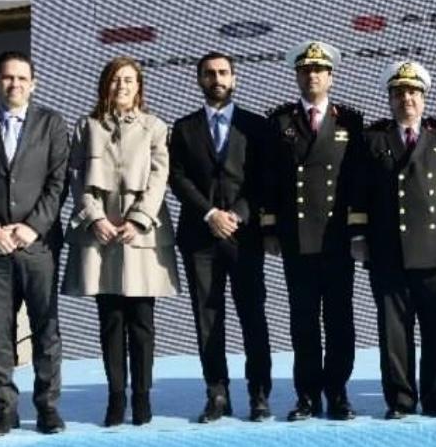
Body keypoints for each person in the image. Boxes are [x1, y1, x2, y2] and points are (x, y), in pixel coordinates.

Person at [0, 51, 71, 437]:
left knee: (45, 329)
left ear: (33, 83)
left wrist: (32, 227)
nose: (14, 84)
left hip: (38, 247)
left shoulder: (51, 124)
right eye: (7, 78)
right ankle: (5, 408)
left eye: (22, 78)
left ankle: (47, 407)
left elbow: (58, 182)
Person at [62, 57, 180, 425]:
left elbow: (160, 178)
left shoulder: (155, 127)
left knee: (142, 323)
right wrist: (95, 217)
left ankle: (142, 398)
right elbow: (77, 176)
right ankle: (115, 398)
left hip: (141, 235)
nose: (122, 87)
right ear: (105, 85)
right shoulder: (87, 125)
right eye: (115, 80)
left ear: (139, 86)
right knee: (110, 321)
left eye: (129, 80)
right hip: (101, 236)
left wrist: (139, 219)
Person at [261, 41, 366, 422]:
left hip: (337, 238)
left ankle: (337, 392)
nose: (312, 76)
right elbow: (268, 179)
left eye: (319, 71)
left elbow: (357, 181)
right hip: (297, 237)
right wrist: (270, 225)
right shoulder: (280, 122)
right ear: (297, 76)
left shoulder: (351, 122)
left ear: (331, 77)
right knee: (303, 320)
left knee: (339, 319)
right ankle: (306, 395)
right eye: (306, 71)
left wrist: (358, 231)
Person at [168, 52, 275, 422]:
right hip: (200, 237)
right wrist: (210, 213)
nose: (217, 79)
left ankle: (259, 394)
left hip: (244, 237)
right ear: (199, 80)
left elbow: (264, 179)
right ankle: (217, 394)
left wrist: (238, 214)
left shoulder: (256, 126)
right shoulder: (183, 128)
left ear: (235, 78)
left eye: (224, 73)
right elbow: (177, 178)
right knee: (207, 318)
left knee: (253, 315)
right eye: (210, 74)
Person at [361, 60, 436, 419]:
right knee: (394, 334)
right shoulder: (372, 138)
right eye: (399, 93)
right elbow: (357, 195)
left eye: (413, 92)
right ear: (389, 99)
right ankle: (401, 399)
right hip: (389, 252)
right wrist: (359, 237)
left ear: (424, 97)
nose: (407, 98)